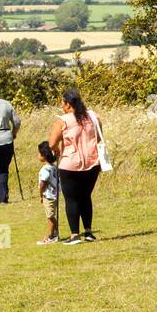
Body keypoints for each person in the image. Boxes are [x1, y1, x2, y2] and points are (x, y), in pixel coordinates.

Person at [46, 87, 104, 245]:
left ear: (67, 104)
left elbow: (52, 143)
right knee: (85, 197)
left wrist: (58, 149)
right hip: (92, 162)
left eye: (62, 103)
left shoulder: (63, 121)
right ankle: (89, 232)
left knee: (71, 200)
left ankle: (74, 235)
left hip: (70, 163)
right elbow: (99, 138)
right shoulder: (92, 117)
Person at [36, 140, 60, 245]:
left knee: (50, 216)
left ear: (44, 156)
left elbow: (42, 184)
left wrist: (40, 194)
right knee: (52, 215)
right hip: (55, 194)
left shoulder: (45, 169)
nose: (37, 155)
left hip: (48, 195)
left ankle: (50, 236)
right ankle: (55, 234)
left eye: (38, 153)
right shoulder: (54, 167)